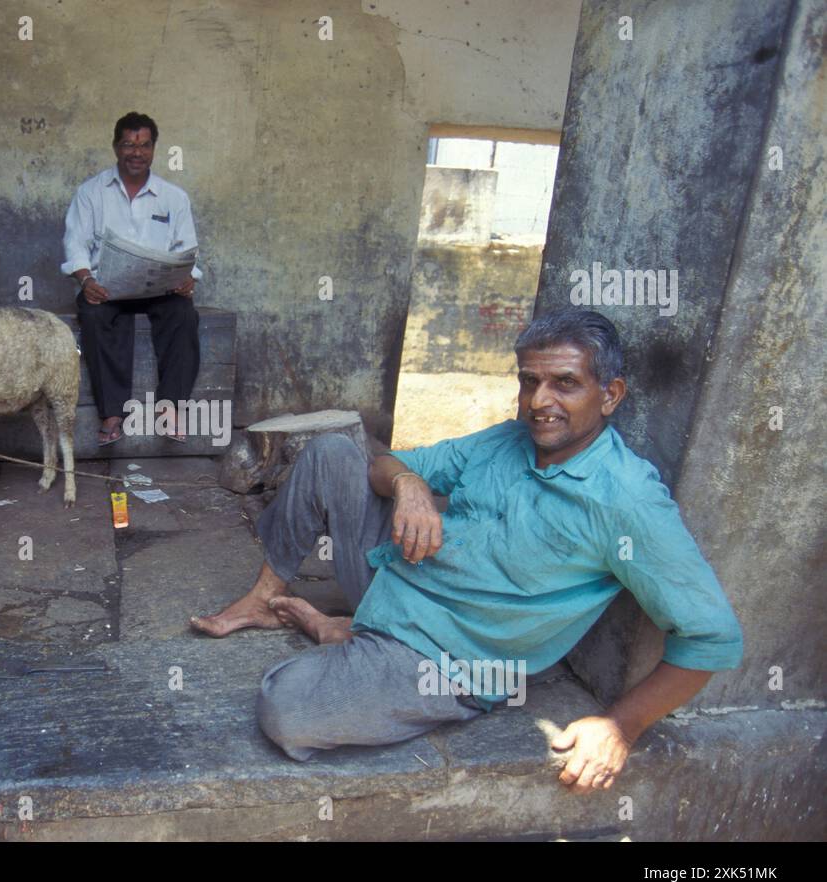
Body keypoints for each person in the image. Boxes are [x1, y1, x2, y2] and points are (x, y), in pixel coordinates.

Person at [191, 310, 743, 793]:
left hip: (442, 657)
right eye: (530, 382)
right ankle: (265, 599)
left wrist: (622, 725)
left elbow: (713, 637)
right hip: (396, 576)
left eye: (565, 383)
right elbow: (383, 462)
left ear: (611, 394)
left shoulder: (626, 500)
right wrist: (409, 485)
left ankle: (348, 635)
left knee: (286, 708)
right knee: (332, 452)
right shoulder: (506, 440)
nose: (540, 402)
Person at [62, 112, 202, 445]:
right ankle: (112, 414)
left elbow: (189, 251)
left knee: (183, 314)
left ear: (153, 148)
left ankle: (170, 410)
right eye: (128, 144)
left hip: (160, 289)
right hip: (106, 288)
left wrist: (188, 278)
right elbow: (75, 245)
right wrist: (85, 280)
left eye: (144, 145)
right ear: (115, 147)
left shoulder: (174, 197)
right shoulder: (91, 193)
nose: (135, 153)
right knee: (93, 315)